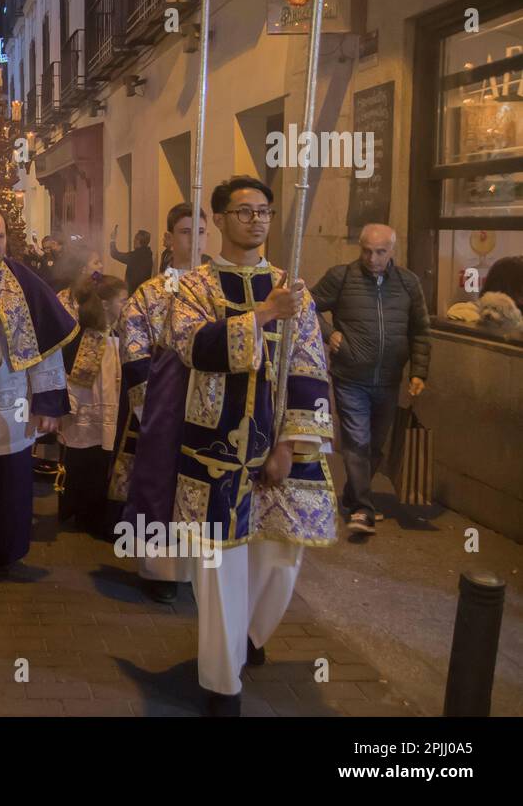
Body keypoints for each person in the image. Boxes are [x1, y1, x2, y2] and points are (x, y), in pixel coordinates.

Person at [167, 176, 335, 716]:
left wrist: (290, 444)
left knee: (280, 558)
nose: (257, 220)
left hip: (279, 446)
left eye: (264, 210)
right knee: (220, 569)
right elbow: (194, 347)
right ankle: (222, 684)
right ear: (218, 219)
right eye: (244, 212)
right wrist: (263, 314)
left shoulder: (294, 287)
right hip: (216, 448)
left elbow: (309, 368)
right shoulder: (194, 287)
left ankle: (249, 637)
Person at [0, 205, 77, 574]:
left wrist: (50, 402)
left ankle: (4, 555)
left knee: (9, 485)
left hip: (13, 405)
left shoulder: (25, 282)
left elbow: (46, 347)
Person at [109, 203, 207, 602]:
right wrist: (146, 402)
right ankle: (159, 569)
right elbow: (133, 346)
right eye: (185, 231)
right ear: (169, 238)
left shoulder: (220, 287)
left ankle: (204, 565)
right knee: (160, 484)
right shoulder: (151, 292)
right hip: (165, 401)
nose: (194, 239)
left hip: (212, 407)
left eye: (200, 231)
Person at [310, 223, 431, 536]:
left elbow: (420, 330)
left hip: (390, 379)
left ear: (392, 251)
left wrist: (419, 372)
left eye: (380, 251)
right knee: (357, 441)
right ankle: (364, 508)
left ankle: (352, 495)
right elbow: (307, 307)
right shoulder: (341, 277)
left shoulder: (408, 283)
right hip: (350, 376)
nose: (373, 258)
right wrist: (328, 333)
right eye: (367, 250)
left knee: (375, 445)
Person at [55, 274, 121, 534]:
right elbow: (75, 377)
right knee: (84, 464)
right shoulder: (89, 337)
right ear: (105, 304)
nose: (125, 306)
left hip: (101, 411)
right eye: (122, 300)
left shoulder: (114, 332)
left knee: (95, 464)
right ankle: (82, 514)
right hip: (87, 412)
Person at [110, 225, 154, 294]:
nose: (133, 241)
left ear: (139, 241)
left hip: (133, 292)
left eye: (135, 239)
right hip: (143, 292)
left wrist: (112, 240)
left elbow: (115, 254)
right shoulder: (148, 255)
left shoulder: (136, 256)